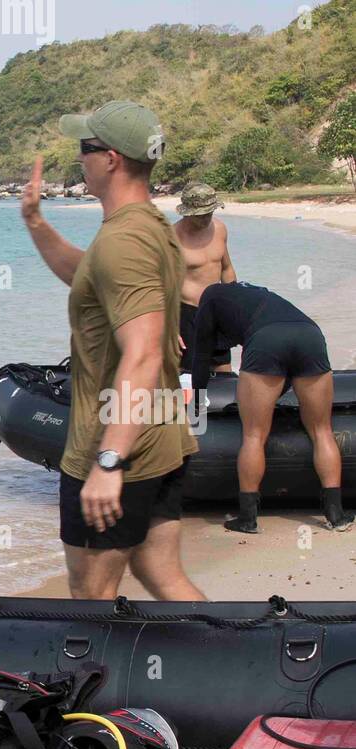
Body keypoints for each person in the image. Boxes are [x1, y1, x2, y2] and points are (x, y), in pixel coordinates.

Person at [20, 100, 205, 602]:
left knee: (90, 595)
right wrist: (36, 222)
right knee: (161, 575)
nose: (79, 160)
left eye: (85, 148)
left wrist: (108, 461)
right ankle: (231, 659)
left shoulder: (123, 242)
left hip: (120, 440)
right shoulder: (149, 229)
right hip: (162, 432)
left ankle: (98, 682)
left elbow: (142, 354)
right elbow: (92, 278)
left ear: (111, 160)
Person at [189, 281, 353, 533]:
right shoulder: (256, 293)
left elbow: (200, 360)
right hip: (309, 333)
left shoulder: (208, 299)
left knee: (254, 435)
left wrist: (196, 404)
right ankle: (336, 514)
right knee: (322, 430)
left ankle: (248, 518)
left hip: (266, 339)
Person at [173, 182, 236, 374]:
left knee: (224, 372)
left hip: (216, 312)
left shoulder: (220, 229)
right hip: (186, 315)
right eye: (201, 215)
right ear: (187, 212)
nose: (206, 219)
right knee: (184, 375)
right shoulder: (171, 238)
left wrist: (236, 306)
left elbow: (226, 268)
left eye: (210, 212)